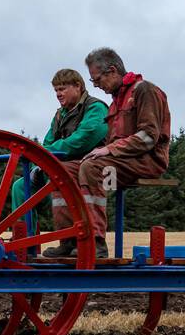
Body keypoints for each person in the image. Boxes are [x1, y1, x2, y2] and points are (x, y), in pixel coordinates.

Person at [49, 47, 171, 259]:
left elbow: (148, 137)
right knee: (62, 170)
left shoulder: (145, 91)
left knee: (93, 168)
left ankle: (95, 243)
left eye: (97, 80)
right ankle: (68, 240)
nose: (96, 85)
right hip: (120, 161)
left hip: (146, 162)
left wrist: (108, 149)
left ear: (112, 70)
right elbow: (112, 139)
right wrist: (99, 150)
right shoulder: (117, 99)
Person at [10, 69, 107, 233]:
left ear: (77, 86)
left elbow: (81, 141)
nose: (58, 94)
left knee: (59, 180)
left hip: (87, 169)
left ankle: (76, 237)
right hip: (59, 169)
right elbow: (48, 142)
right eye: (56, 90)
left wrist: (44, 154)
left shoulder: (96, 108)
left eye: (62, 89)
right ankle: (25, 240)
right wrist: (40, 163)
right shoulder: (59, 115)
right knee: (21, 186)